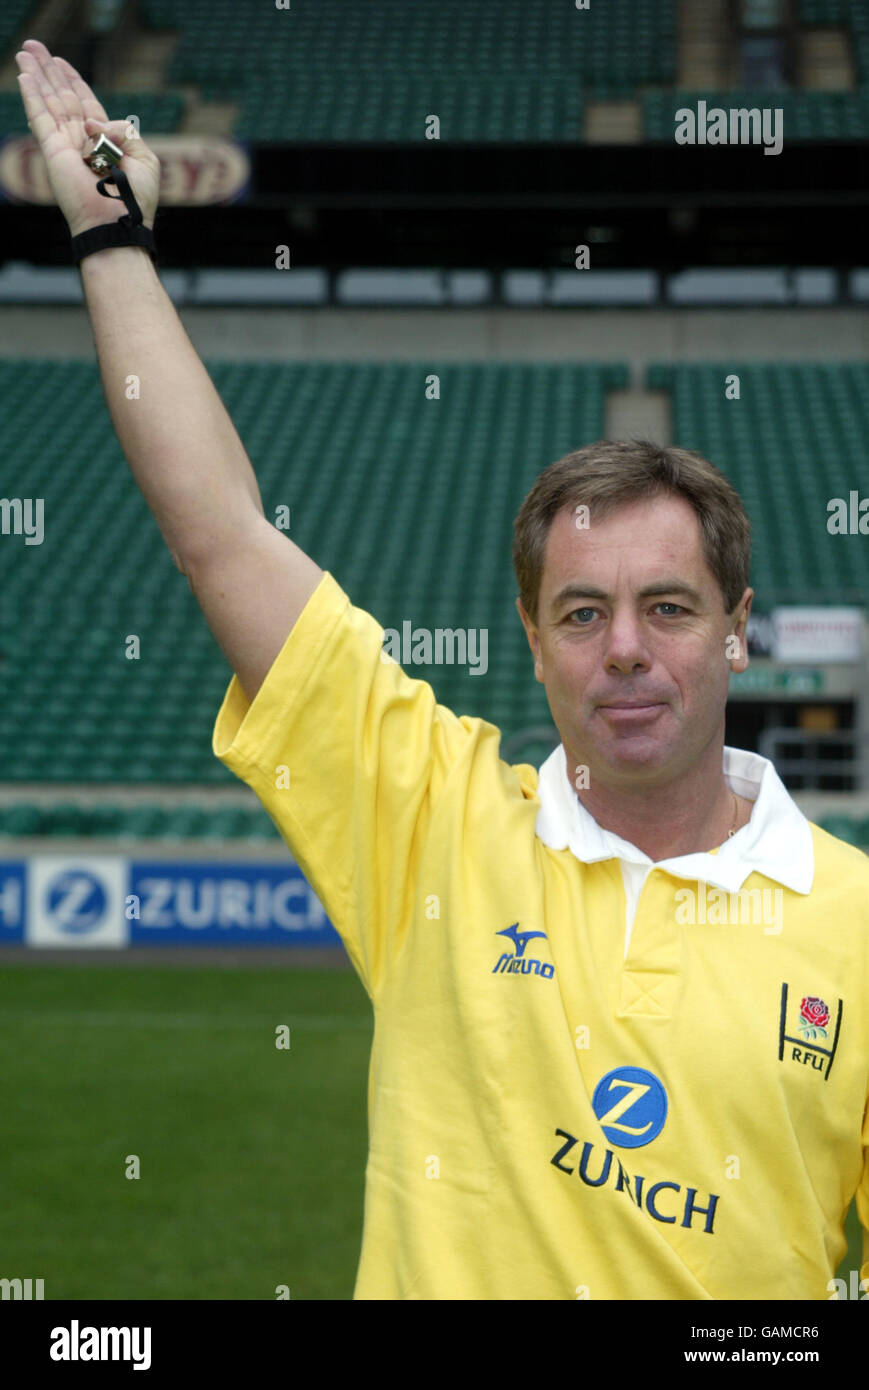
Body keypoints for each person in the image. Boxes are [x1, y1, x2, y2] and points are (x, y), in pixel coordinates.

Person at [16, 38, 869, 1301]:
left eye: (667, 608)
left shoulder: (856, 924)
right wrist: (109, 236)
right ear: (530, 639)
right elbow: (222, 536)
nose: (623, 647)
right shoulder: (435, 825)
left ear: (735, 629)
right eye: (579, 612)